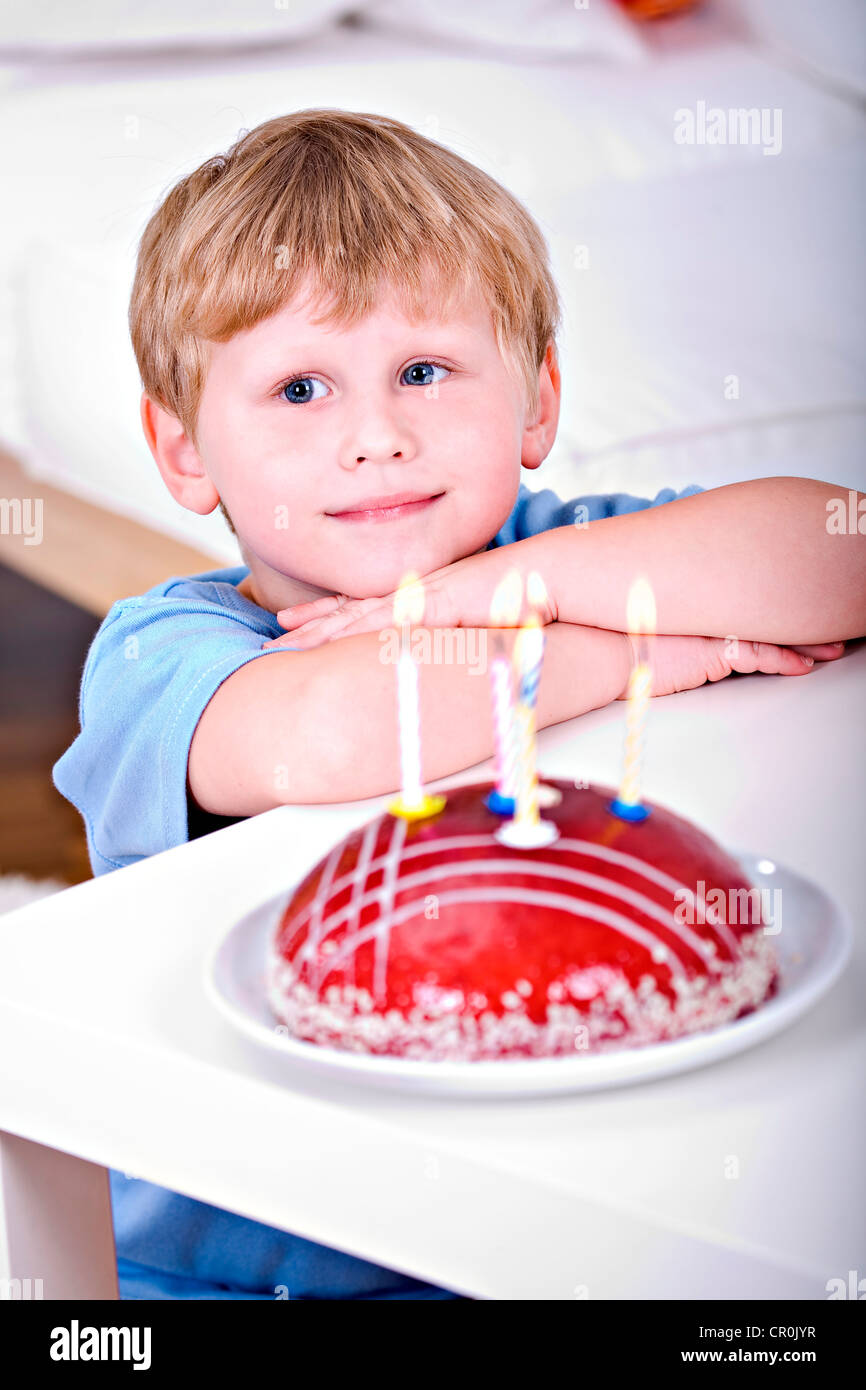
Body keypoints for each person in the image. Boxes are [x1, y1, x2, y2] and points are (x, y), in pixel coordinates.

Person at [53, 109, 861, 1300]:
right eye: (298, 388)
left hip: (563, 1215)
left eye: (423, 372)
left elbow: (836, 549)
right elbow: (336, 725)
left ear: (535, 402)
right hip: (250, 1271)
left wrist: (484, 590)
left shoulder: (556, 553)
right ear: (183, 451)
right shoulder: (162, 647)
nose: (376, 437)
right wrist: (647, 651)